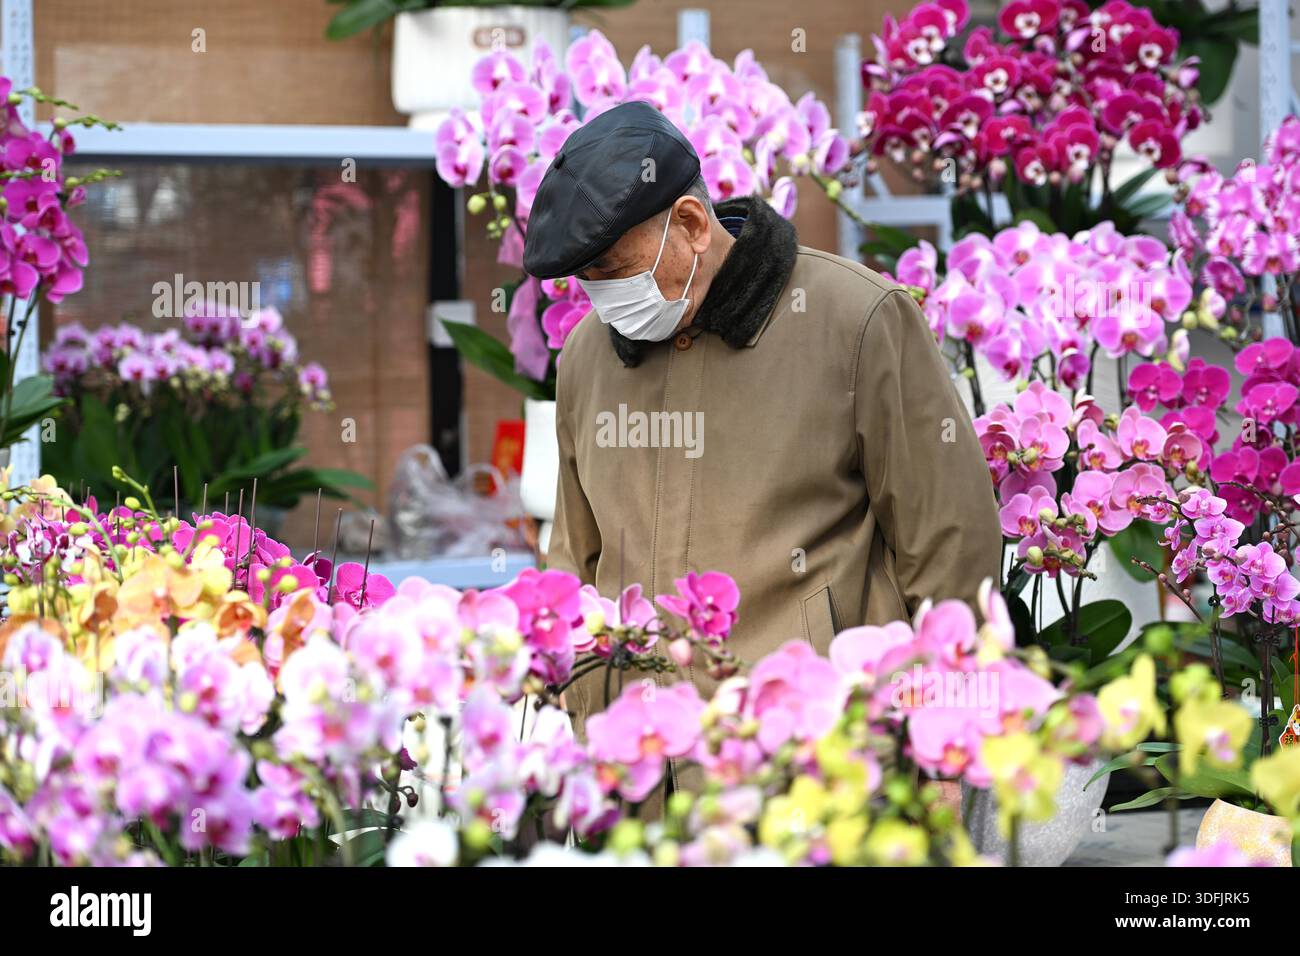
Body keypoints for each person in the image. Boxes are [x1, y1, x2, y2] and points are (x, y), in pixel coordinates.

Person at [521, 100, 1001, 804]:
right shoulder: (589, 354)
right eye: (585, 279)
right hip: (636, 773)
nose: (603, 296)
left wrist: (947, 741)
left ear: (688, 222)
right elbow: (574, 553)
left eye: (613, 269)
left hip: (816, 769)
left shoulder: (856, 317)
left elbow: (950, 544)